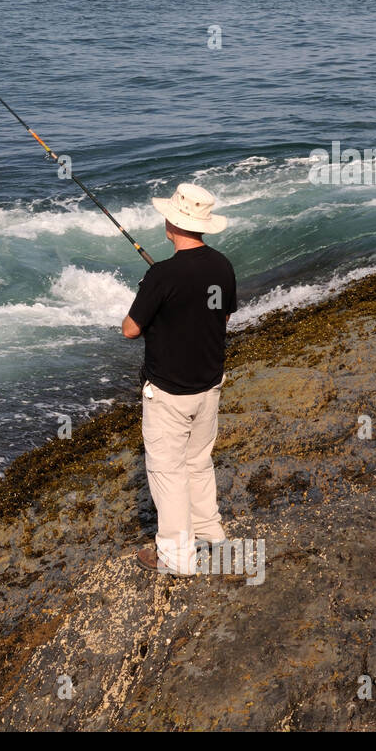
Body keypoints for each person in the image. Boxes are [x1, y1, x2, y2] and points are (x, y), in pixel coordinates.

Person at [121, 183, 237, 576]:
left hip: (169, 391)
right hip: (209, 383)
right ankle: (210, 533)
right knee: (198, 461)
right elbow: (219, 316)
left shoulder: (162, 275)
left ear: (172, 222)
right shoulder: (221, 266)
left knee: (167, 471)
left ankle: (175, 556)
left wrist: (158, 291)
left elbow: (130, 330)